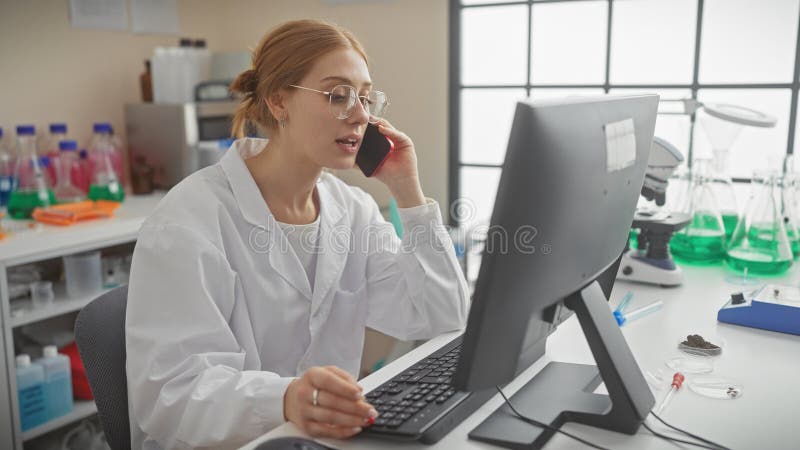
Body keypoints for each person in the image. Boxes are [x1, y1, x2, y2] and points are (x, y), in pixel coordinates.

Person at [125, 19, 469, 449]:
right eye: (338, 95)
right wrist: (283, 400)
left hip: (319, 439)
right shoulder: (187, 222)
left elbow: (443, 318)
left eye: (365, 97)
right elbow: (168, 398)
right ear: (278, 101)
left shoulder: (354, 211)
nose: (362, 115)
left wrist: (409, 193)